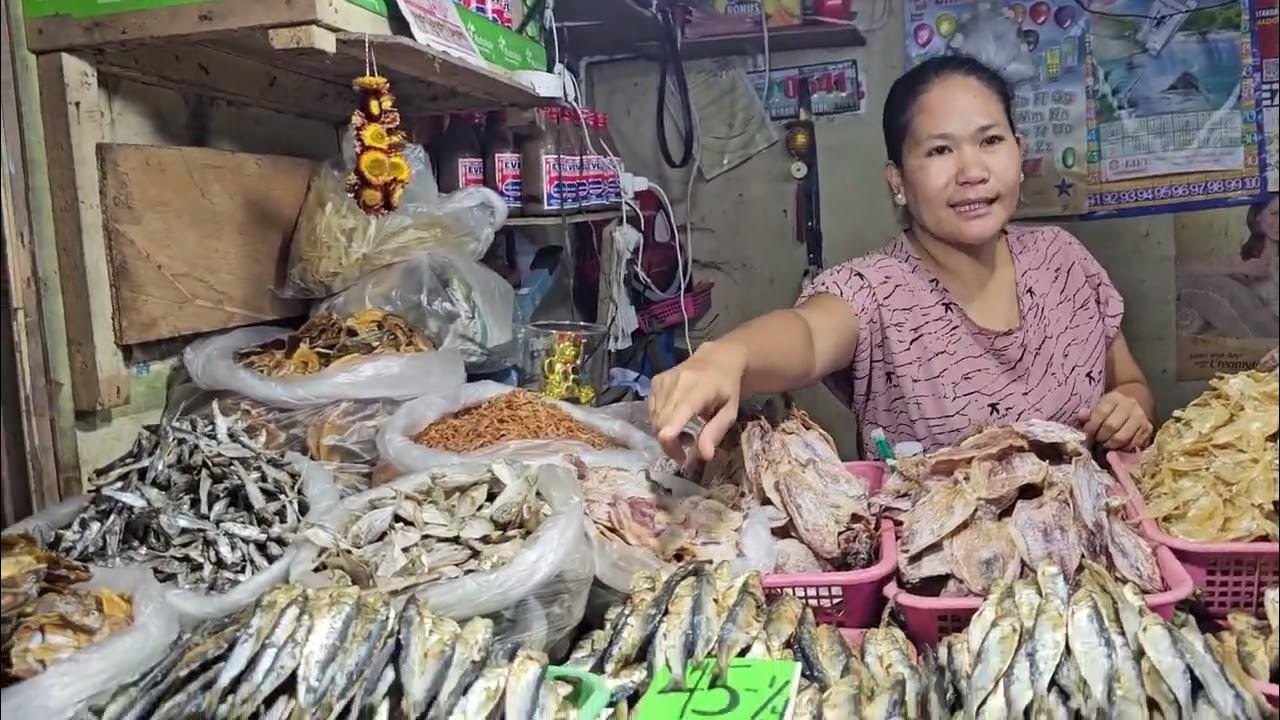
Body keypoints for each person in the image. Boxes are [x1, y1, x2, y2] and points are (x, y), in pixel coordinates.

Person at [649, 55, 1155, 462]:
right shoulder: (875, 291)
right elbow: (807, 334)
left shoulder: (1063, 260)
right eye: (939, 151)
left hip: (1086, 563)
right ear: (898, 180)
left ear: (1019, 155)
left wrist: (1130, 409)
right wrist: (728, 357)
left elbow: (1128, 382)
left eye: (991, 141)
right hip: (935, 583)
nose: (972, 171)